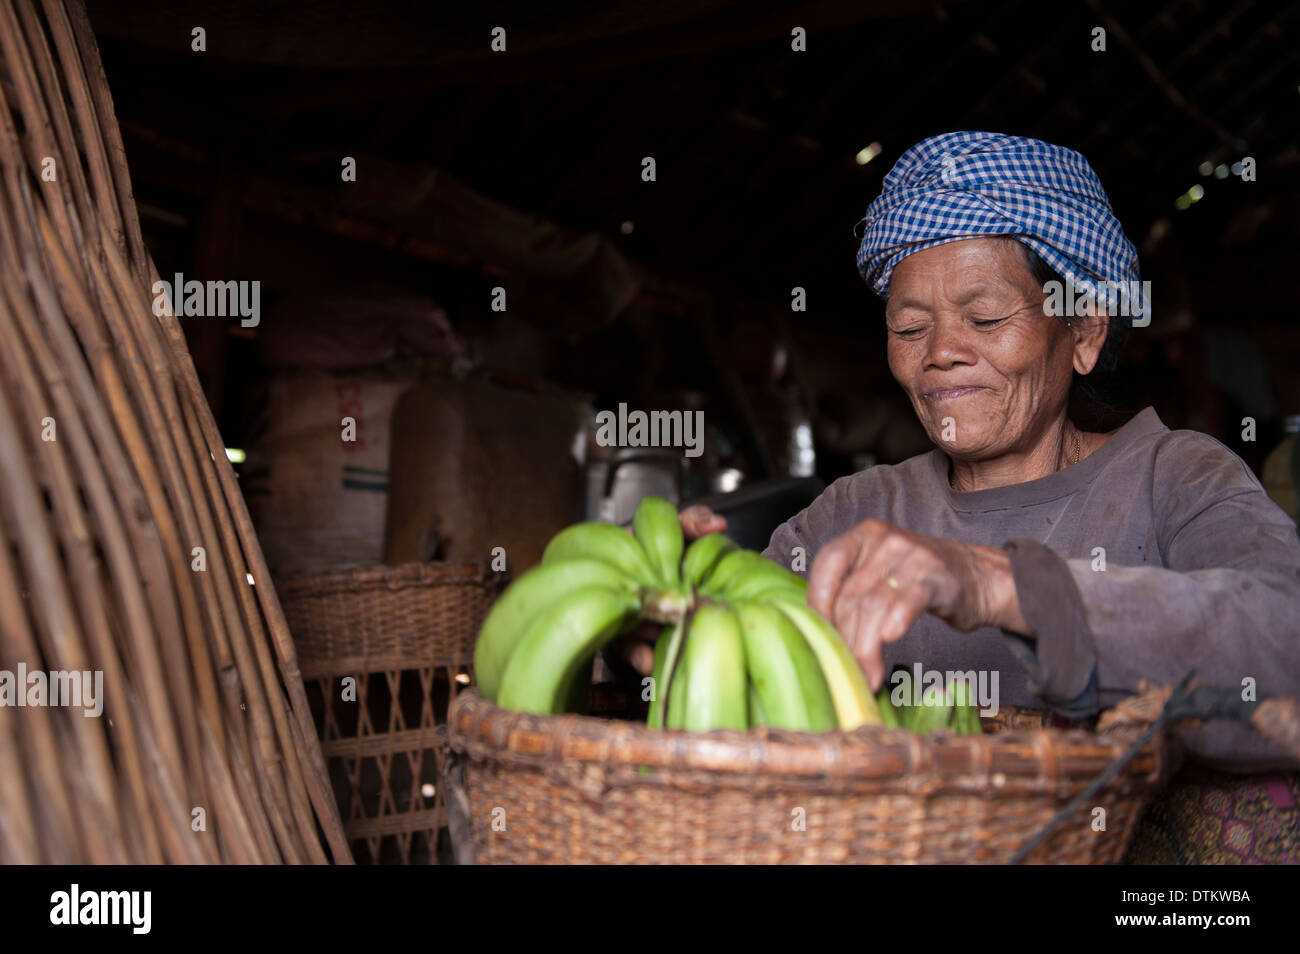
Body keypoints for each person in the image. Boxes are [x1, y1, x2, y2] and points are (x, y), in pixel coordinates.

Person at [670, 131, 1300, 788]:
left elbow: (1286, 644)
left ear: (1084, 332)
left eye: (987, 317)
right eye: (910, 328)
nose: (939, 352)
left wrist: (994, 584)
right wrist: (671, 625)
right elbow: (731, 675)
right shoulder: (856, 512)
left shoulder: (1175, 477)